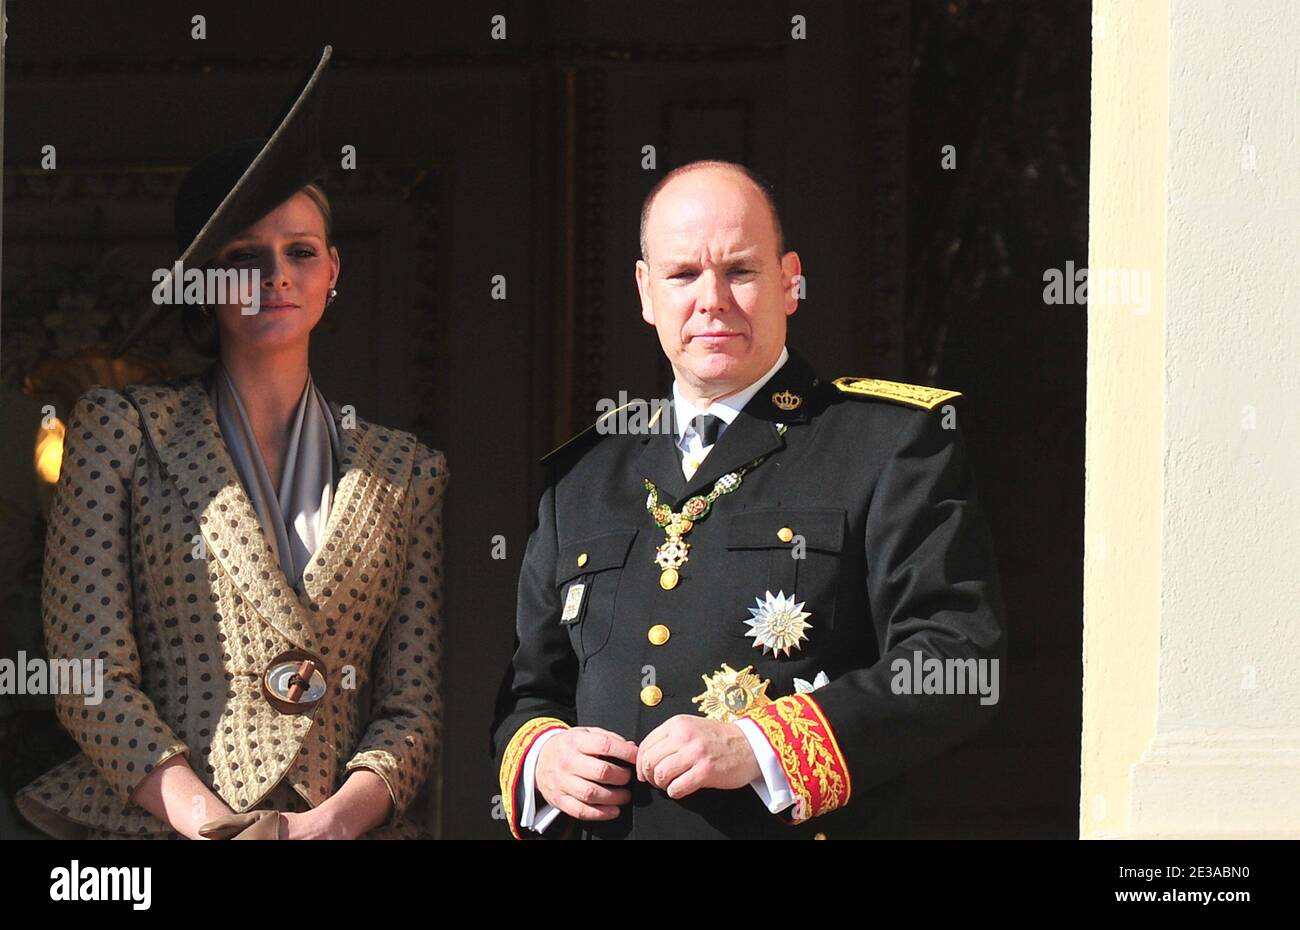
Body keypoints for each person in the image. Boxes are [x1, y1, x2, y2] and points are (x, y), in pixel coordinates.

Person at [491, 160, 1006, 839]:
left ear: (789, 280)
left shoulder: (887, 445)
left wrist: (763, 746)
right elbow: (531, 690)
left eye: (739, 270)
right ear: (646, 292)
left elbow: (958, 662)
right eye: (681, 275)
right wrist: (543, 759)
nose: (711, 299)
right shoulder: (585, 479)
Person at [16, 47, 447, 840]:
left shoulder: (407, 471)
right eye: (243, 258)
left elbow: (410, 706)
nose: (275, 275)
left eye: (300, 251)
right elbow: (88, 677)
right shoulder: (120, 432)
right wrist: (209, 823)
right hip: (143, 833)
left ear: (333, 271)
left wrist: (328, 827)